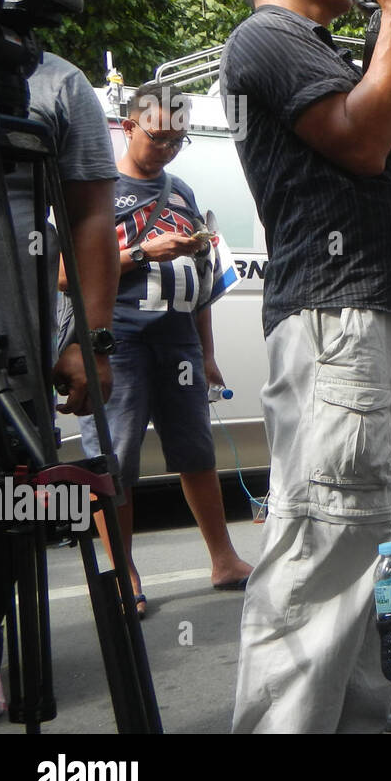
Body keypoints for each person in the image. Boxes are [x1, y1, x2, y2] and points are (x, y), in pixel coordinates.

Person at [220, 0, 391, 733]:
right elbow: (361, 144)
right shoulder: (266, 36)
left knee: (382, 542)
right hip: (339, 314)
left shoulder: (326, 54)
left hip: (387, 310)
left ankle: (354, 717)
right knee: (322, 543)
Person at [75, 82, 252, 616]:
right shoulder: (95, 189)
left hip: (178, 341)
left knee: (196, 451)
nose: (170, 148)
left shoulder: (182, 192)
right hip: (118, 340)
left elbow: (199, 280)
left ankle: (224, 559)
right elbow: (65, 275)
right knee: (115, 460)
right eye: (159, 137)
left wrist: (207, 351)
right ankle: (123, 573)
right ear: (128, 127)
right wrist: (140, 253)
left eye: (179, 140)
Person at [0, 51, 118, 722]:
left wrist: (90, 342)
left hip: (14, 369)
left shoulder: (56, 81)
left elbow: (93, 216)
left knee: (4, 523)